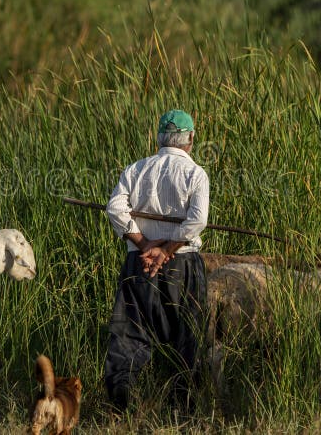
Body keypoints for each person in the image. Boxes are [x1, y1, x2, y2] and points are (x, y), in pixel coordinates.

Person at [104, 109, 210, 413]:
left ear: (159, 138)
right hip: (184, 265)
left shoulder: (135, 170)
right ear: (190, 138)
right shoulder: (196, 174)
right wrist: (166, 250)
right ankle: (184, 411)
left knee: (129, 335)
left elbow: (115, 210)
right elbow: (197, 220)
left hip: (139, 264)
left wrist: (144, 244)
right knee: (188, 338)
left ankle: (121, 407)